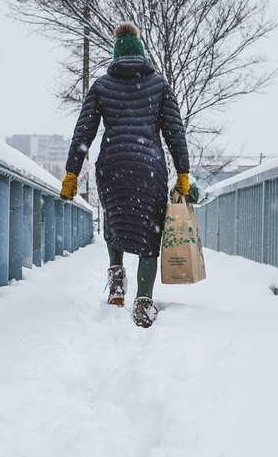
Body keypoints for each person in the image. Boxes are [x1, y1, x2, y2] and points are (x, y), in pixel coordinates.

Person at [60, 21, 190, 327]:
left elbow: (84, 132)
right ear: (142, 54)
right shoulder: (159, 85)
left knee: (116, 220)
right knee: (150, 232)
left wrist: (71, 174)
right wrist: (182, 171)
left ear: (116, 56)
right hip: (149, 167)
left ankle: (117, 280)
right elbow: (175, 131)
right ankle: (144, 302)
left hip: (113, 166)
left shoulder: (102, 85)